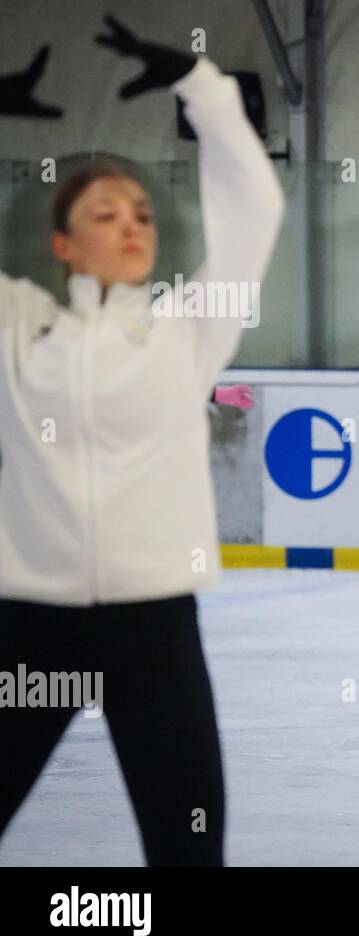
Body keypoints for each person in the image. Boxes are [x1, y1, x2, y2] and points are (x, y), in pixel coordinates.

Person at [0, 17, 284, 865]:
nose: (132, 224)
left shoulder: (183, 332)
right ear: (62, 244)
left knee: (188, 849)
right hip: (30, 630)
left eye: (139, 212)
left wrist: (204, 88)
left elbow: (254, 210)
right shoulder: (17, 330)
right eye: (103, 212)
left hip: (154, 632)